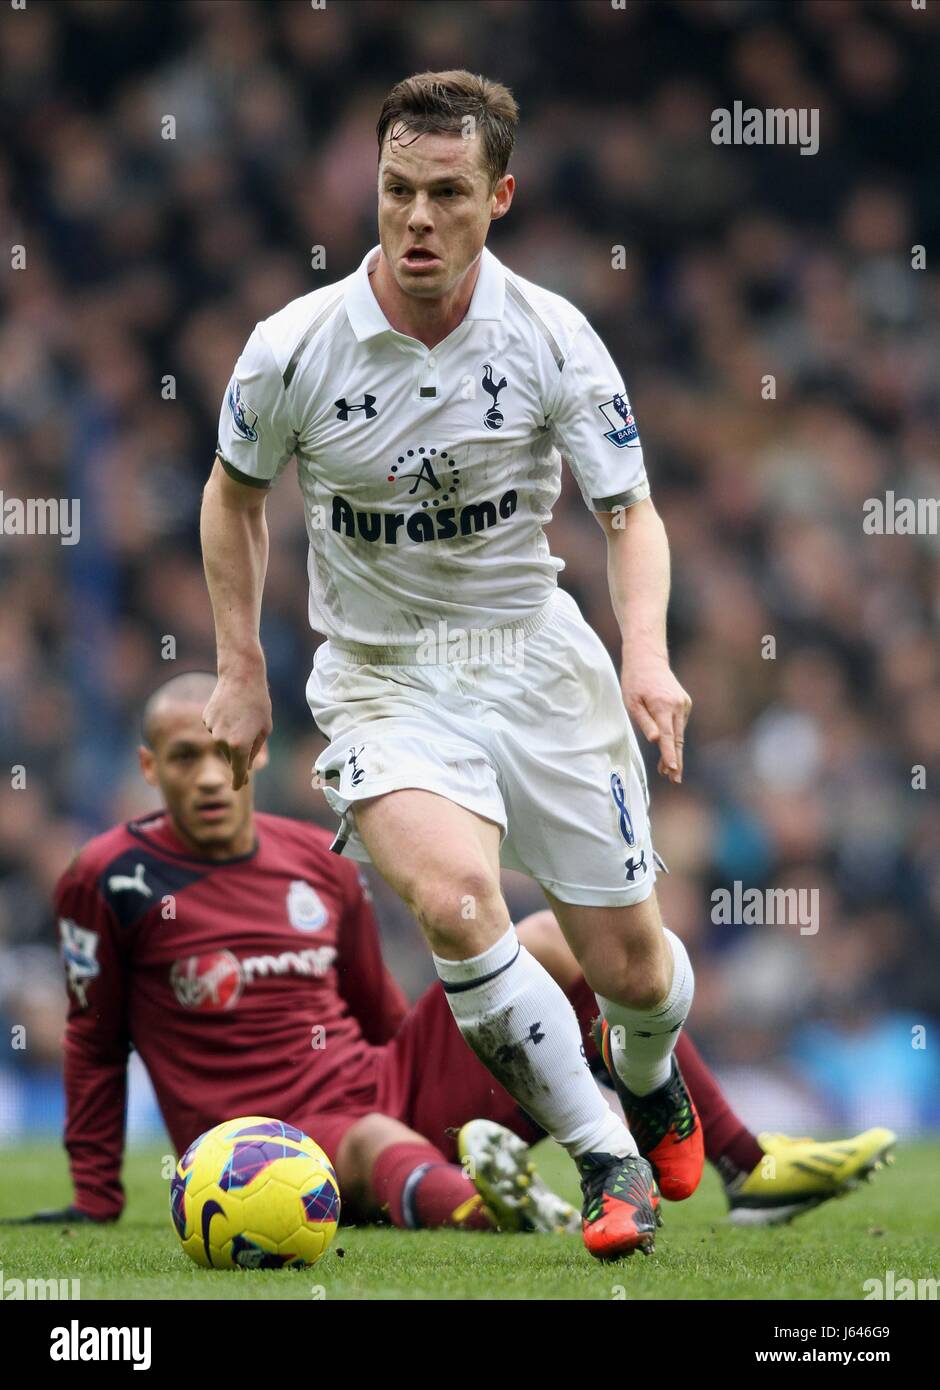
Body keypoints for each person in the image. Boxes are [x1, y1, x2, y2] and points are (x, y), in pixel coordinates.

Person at [201, 68, 701, 1261]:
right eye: (395, 190)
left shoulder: (550, 339)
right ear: (370, 189)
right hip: (382, 678)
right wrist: (237, 668)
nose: (417, 218)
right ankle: (604, 1158)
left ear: (500, 197)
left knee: (630, 969)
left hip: (536, 666)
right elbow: (232, 498)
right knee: (462, 905)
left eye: (446, 194)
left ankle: (652, 1073)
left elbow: (631, 514)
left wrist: (646, 652)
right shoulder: (293, 347)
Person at [4, 675, 894, 1238]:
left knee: (550, 939)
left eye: (220, 751)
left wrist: (459, 1070)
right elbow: (92, 1040)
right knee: (365, 1138)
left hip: (376, 1082)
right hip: (259, 1141)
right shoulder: (108, 877)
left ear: (255, 750)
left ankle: (747, 1166)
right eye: (182, 756)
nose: (206, 774)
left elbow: (380, 1012)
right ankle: (493, 1211)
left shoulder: (319, 859)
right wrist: (96, 1197)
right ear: (149, 766)